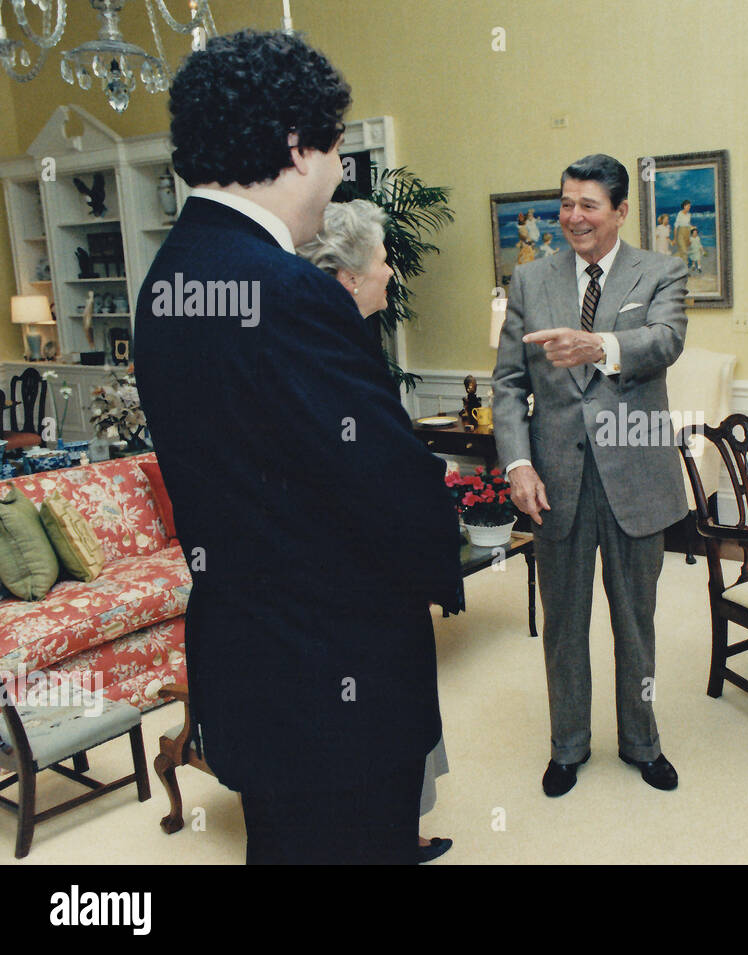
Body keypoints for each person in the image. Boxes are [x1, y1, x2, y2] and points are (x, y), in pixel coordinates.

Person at [133, 29, 463, 865]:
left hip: (252, 665)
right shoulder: (286, 291)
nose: (340, 174)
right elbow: (385, 482)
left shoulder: (171, 274)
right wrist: (440, 525)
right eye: (336, 151)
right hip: (331, 681)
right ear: (293, 144)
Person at [493, 153, 687, 797]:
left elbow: (665, 340)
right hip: (557, 481)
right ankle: (567, 745)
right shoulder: (529, 281)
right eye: (565, 204)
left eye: (588, 205)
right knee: (564, 623)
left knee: (637, 623)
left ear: (621, 211)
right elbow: (509, 384)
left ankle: (642, 741)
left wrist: (600, 346)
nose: (573, 217)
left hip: (636, 476)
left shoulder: (661, 270)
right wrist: (517, 463)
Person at [298, 199, 452, 863]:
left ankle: (404, 826)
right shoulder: (326, 354)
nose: (392, 272)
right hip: (354, 576)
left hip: (378, 568)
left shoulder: (351, 338)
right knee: (379, 706)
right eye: (384, 261)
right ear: (346, 279)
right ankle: (389, 835)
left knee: (402, 695)